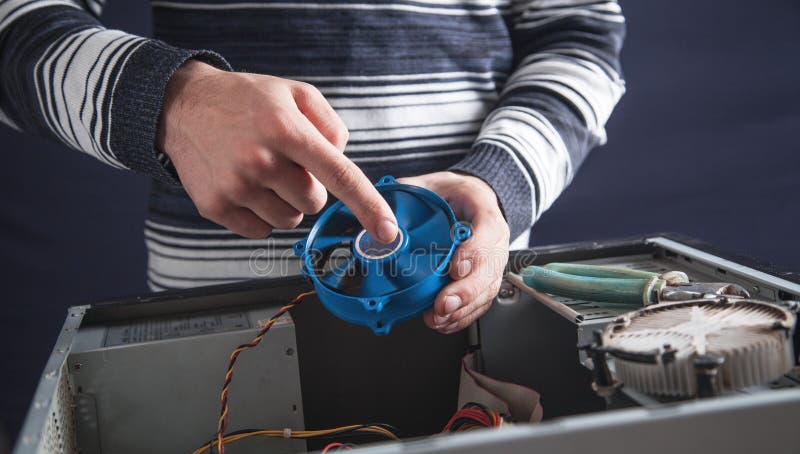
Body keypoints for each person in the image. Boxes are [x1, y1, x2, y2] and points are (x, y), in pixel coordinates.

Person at [0, 0, 624, 333]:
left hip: (468, 294)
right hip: (223, 318)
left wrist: (499, 183)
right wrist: (170, 101)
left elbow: (579, 38)